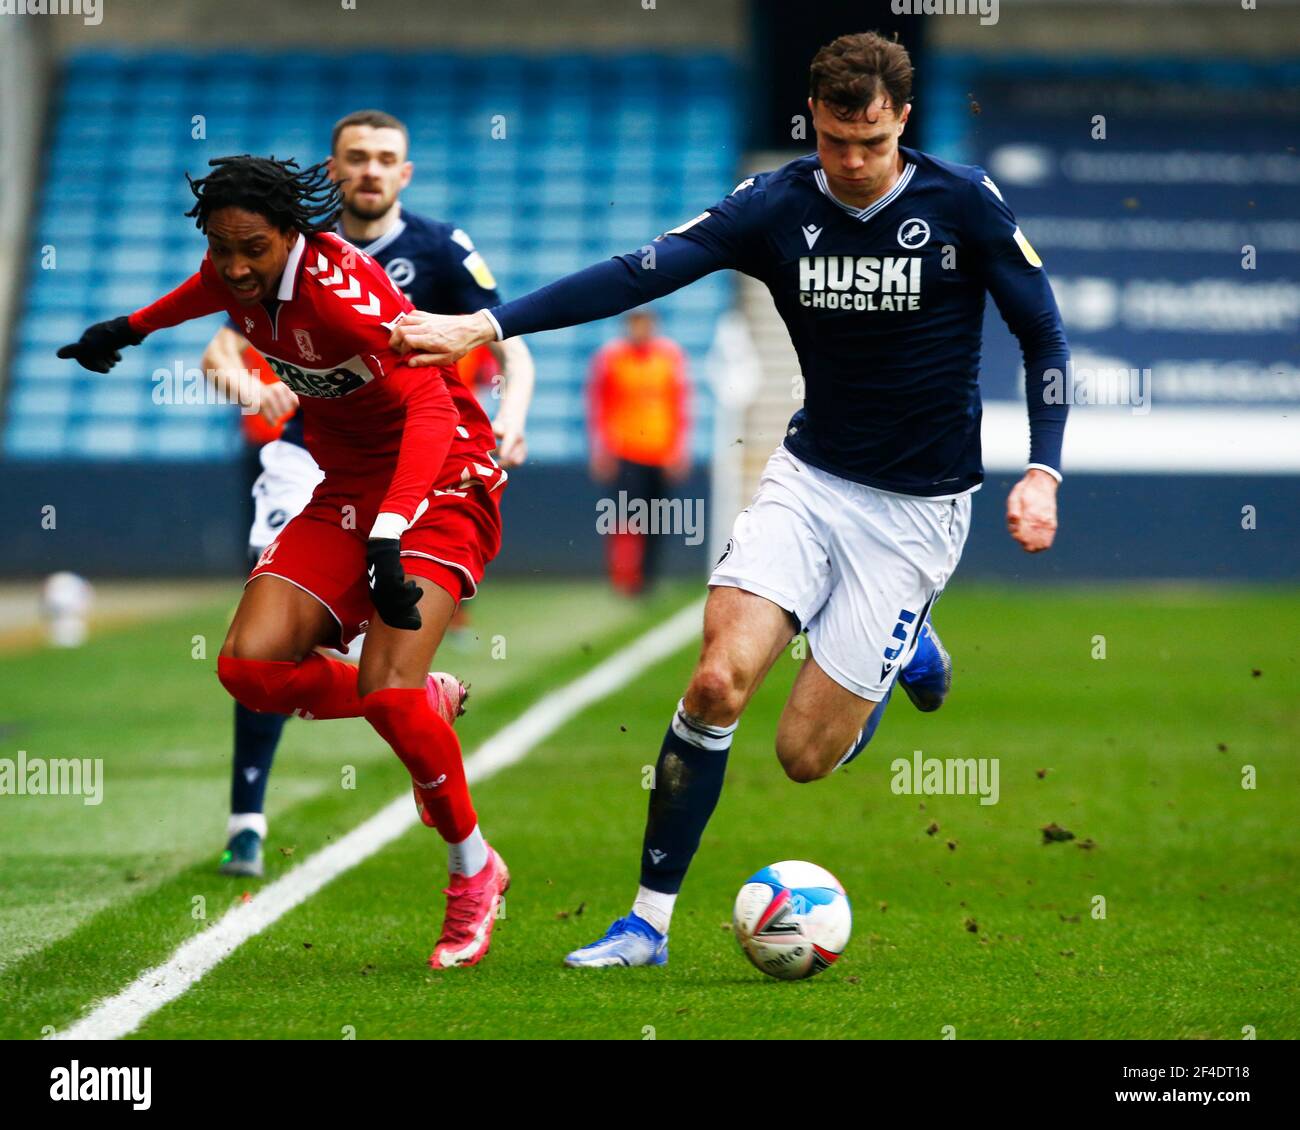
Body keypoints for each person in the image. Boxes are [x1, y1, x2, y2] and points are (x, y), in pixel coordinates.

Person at [388, 31, 1070, 969]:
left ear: (902, 122)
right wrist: (489, 321)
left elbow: (1045, 336)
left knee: (803, 758)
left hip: (916, 511)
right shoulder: (776, 204)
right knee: (714, 682)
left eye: (872, 143)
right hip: (810, 480)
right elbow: (642, 269)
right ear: (815, 124)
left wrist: (1044, 469)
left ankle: (902, 636)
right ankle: (647, 925)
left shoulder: (963, 203)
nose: (854, 164)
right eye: (836, 142)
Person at [58, 154, 520, 969]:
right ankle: (422, 703)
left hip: (440, 479)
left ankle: (472, 871)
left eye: (253, 249)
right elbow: (207, 291)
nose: (236, 266)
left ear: (292, 234)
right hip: (345, 484)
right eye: (222, 246)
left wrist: (389, 532)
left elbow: (429, 404)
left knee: (387, 688)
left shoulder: (341, 297)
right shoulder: (230, 271)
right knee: (249, 668)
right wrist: (129, 329)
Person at [199, 109, 534, 878]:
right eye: (356, 158)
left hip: (408, 461)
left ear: (404, 174)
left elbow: (506, 340)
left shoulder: (437, 248)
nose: (370, 171)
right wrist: (248, 386)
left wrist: (511, 420)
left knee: (374, 668)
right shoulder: (282, 248)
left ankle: (416, 717)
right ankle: (247, 817)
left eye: (386, 159)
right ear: (334, 166)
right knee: (263, 641)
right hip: (304, 459)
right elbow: (222, 347)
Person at [587, 308, 691, 595]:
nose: (640, 328)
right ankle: (624, 578)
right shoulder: (610, 359)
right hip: (626, 451)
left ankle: (648, 579)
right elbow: (599, 406)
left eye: (645, 322)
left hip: (660, 451)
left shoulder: (670, 358)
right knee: (625, 517)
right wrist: (601, 450)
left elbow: (680, 405)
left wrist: (678, 449)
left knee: (656, 518)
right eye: (635, 323)